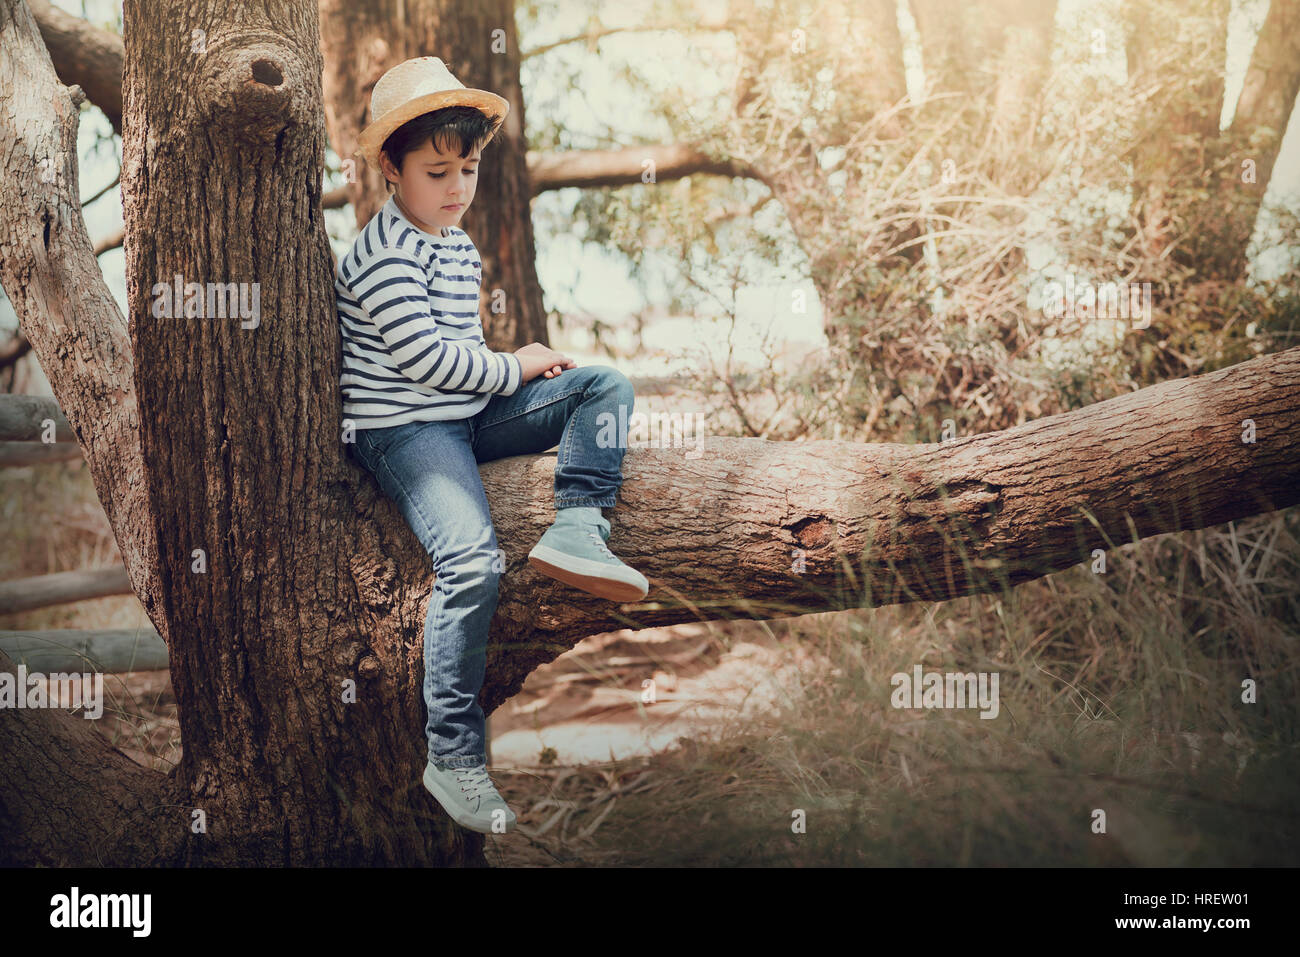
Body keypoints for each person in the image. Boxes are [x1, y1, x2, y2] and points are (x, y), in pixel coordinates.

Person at [338, 57, 649, 834]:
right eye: (436, 170)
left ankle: (579, 525)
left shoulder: (455, 243)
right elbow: (427, 363)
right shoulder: (380, 257)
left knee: (601, 385)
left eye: (468, 168)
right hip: (404, 429)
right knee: (471, 559)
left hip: (465, 412)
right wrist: (517, 362)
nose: (456, 187)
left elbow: (465, 364)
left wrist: (520, 378)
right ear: (390, 166)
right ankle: (453, 754)